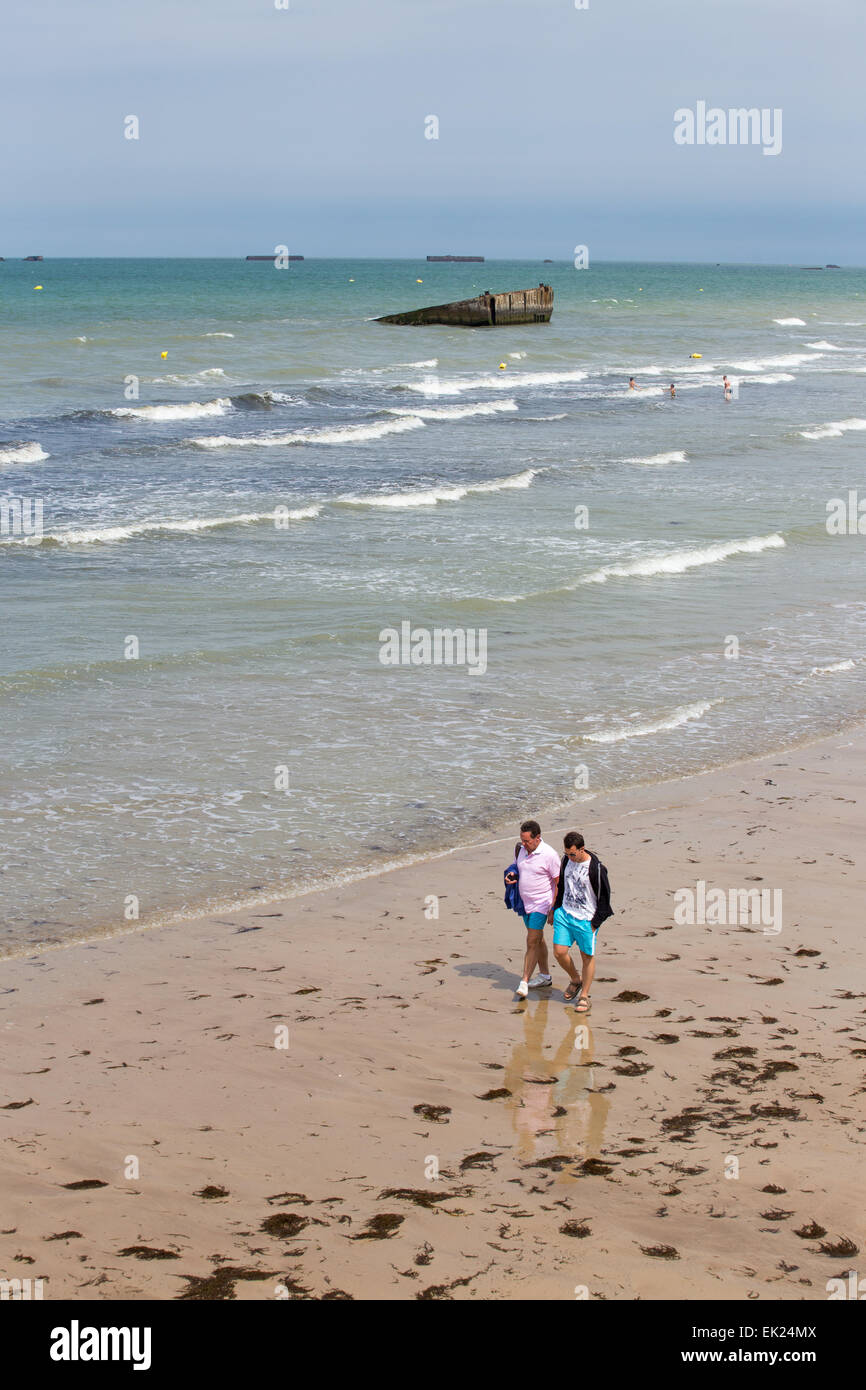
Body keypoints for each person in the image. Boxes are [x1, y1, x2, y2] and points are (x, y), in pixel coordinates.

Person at [549, 831, 613, 1013]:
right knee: (559, 952)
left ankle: (584, 995)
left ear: (581, 849)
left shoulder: (596, 869)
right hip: (565, 914)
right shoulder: (566, 861)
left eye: (572, 853)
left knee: (587, 957)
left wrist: (595, 923)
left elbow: (605, 898)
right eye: (567, 853)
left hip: (586, 919)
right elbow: (561, 887)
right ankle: (575, 979)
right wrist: (555, 909)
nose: (569, 857)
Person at [505, 820, 561, 998]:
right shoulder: (522, 850)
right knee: (538, 940)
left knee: (531, 941)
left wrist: (553, 908)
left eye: (527, 841)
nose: (523, 844)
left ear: (538, 838)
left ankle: (524, 981)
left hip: (542, 903)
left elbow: (559, 883)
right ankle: (545, 975)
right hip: (525, 903)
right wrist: (511, 874)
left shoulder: (549, 855)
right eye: (522, 840)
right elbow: (518, 866)